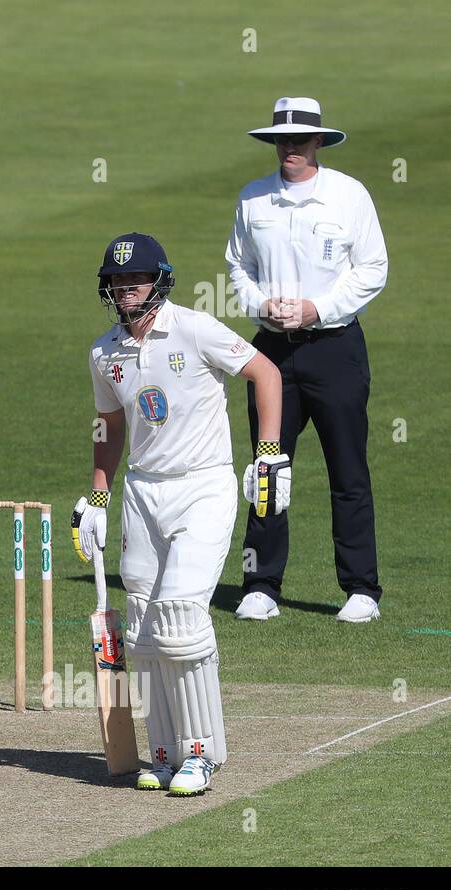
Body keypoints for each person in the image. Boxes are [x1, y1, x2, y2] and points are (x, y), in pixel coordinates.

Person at [71, 233, 287, 795]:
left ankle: (201, 754)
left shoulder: (193, 328)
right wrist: (97, 493)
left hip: (203, 487)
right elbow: (109, 426)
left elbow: (266, 373)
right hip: (143, 493)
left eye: (134, 281)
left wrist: (267, 454)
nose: (125, 290)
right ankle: (163, 753)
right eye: (116, 282)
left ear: (158, 281)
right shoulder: (104, 352)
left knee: (182, 620)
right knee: (143, 628)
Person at [227, 96, 389, 623]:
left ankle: (361, 589)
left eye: (299, 138)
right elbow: (238, 268)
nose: (290, 147)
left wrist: (318, 308)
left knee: (348, 469)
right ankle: (261, 584)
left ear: (319, 141)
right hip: (271, 355)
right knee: (268, 467)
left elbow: (372, 269)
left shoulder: (349, 196)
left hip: (335, 350)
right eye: (282, 138)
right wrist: (260, 305)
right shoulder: (254, 200)